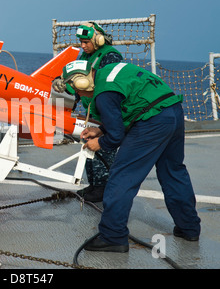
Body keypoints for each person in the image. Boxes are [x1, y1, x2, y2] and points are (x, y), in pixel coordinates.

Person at [60, 60, 201, 253]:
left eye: (77, 90)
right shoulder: (107, 72)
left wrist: (99, 143)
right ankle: (189, 228)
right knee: (173, 171)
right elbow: (130, 106)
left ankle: (113, 237)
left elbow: (116, 136)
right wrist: (101, 130)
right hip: (172, 110)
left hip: (152, 121)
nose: (80, 95)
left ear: (83, 82)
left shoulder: (103, 95)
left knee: (122, 177)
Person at [54, 22, 123, 202]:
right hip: (90, 111)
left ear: (98, 39)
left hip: (105, 110)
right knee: (89, 147)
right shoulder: (86, 55)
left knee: (103, 150)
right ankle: (94, 185)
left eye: (86, 42)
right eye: (81, 42)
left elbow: (108, 83)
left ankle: (103, 188)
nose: (82, 46)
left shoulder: (110, 56)